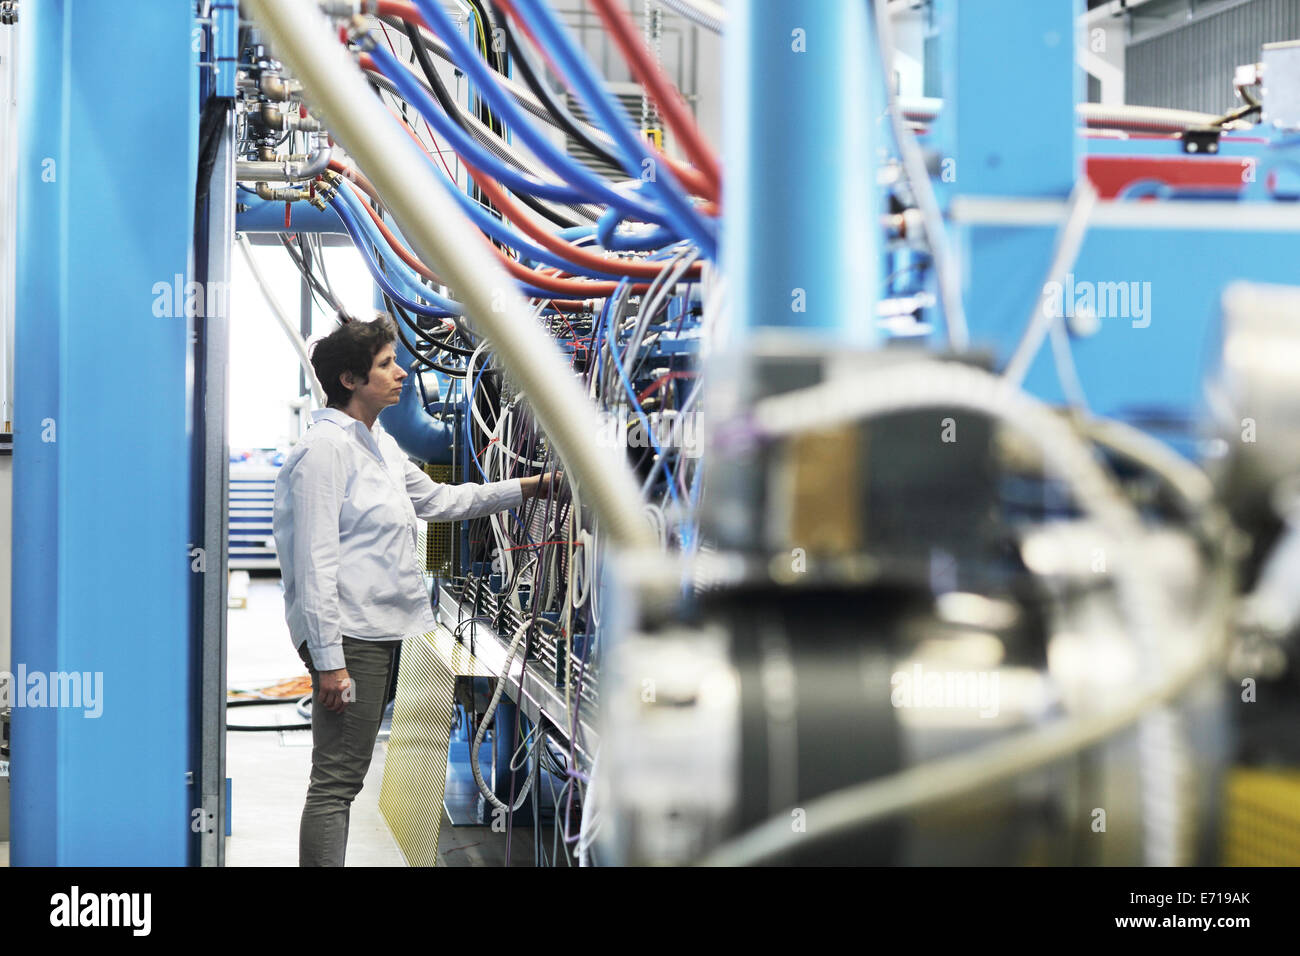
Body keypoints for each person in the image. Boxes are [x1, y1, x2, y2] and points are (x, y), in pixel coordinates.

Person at [271, 314, 558, 867]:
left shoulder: (377, 443)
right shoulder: (324, 452)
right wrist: (330, 664)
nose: (401, 374)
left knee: (342, 777)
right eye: (386, 365)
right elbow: (312, 565)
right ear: (351, 380)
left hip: (382, 633)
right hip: (349, 638)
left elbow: (440, 502)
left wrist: (534, 487)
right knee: (336, 782)